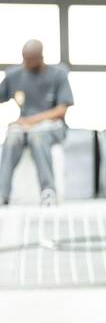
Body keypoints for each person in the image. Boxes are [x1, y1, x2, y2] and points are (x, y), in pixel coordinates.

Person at [0, 40, 73, 205]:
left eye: (31, 59)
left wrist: (30, 121)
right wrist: (22, 124)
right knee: (11, 138)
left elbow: (61, 111)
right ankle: (2, 193)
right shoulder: (15, 75)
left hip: (52, 127)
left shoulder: (58, 75)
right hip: (23, 128)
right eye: (24, 59)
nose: (26, 63)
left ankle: (48, 192)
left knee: (37, 137)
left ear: (41, 57)